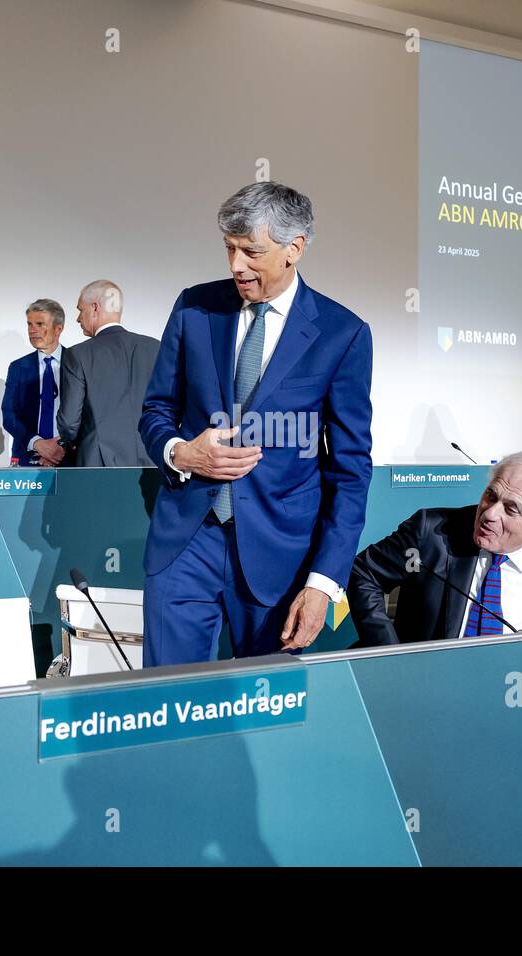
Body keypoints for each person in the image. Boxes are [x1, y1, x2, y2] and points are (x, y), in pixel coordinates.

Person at [139, 182, 374, 666]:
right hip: (186, 540)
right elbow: (156, 410)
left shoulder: (343, 333)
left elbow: (351, 471)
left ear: (295, 249)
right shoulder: (193, 307)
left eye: (251, 251)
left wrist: (324, 583)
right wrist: (179, 452)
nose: (235, 266)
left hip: (279, 558)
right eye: (228, 248)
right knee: (166, 701)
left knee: (264, 711)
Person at [348, 451, 522, 645]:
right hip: (429, 683)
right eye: (491, 495)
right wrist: (390, 653)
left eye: (511, 509)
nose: (490, 513)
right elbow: (363, 573)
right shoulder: (432, 533)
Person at [56, 280, 160, 467]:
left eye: (80, 310)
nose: (78, 319)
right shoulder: (155, 347)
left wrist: (69, 444)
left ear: (95, 308)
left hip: (98, 464)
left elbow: (69, 422)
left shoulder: (77, 355)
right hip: (151, 459)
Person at [1, 298, 68, 467]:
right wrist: (38, 444)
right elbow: (9, 415)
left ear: (58, 328)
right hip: (27, 458)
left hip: (69, 457)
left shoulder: (77, 364)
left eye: (39, 324)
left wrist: (58, 447)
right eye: (29, 324)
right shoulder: (18, 367)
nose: (32, 330)